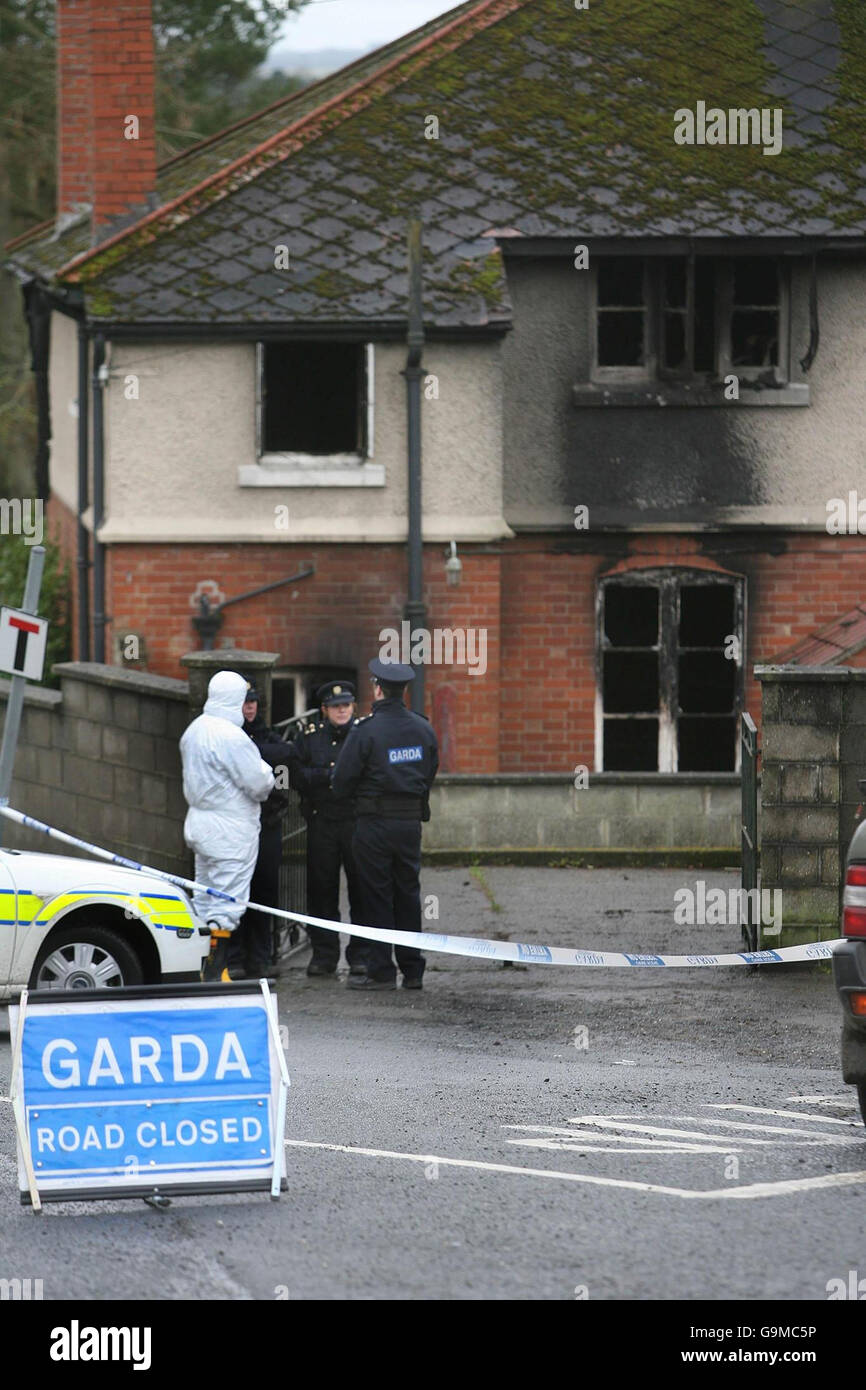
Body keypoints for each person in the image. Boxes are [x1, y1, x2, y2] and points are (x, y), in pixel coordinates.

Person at [331, 658, 439, 991]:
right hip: (408, 823)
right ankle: (413, 970)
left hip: (373, 824)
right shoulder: (422, 728)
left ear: (378, 688)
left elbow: (341, 781)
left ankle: (381, 970)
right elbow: (430, 770)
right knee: (407, 892)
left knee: (376, 895)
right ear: (403, 690)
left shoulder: (366, 730)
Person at [179, 670, 274, 982]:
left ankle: (199, 965)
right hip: (230, 828)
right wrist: (267, 771)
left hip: (199, 822)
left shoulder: (195, 730)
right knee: (227, 900)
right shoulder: (231, 737)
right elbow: (259, 783)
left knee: (204, 896)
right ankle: (218, 970)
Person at [290, 680, 366, 978]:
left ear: (353, 707)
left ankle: (360, 954)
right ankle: (324, 954)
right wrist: (331, 776)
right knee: (321, 890)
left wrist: (329, 777)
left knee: (361, 890)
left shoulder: (363, 734)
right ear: (324, 710)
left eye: (346, 705)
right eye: (335, 707)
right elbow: (297, 775)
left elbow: (369, 773)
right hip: (321, 821)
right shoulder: (309, 737)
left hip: (355, 821)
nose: (341, 710)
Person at [227, 685, 297, 980]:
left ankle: (262, 956)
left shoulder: (269, 738)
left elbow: (285, 769)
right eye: (245, 701)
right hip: (235, 826)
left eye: (254, 701)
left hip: (266, 825)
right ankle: (234, 957)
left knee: (265, 889)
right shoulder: (226, 736)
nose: (250, 707)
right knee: (233, 891)